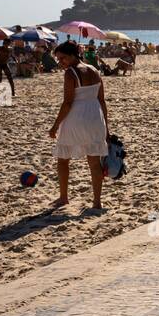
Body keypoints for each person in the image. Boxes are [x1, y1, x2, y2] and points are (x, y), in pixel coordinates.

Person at [48, 41, 109, 213]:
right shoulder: (95, 70)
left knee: (63, 159)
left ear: (74, 55)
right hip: (95, 115)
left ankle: (63, 197)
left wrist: (55, 126)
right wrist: (106, 126)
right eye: (58, 59)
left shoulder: (70, 73)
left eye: (63, 58)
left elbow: (67, 103)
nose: (61, 62)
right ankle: (97, 202)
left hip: (76, 116)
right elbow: (102, 101)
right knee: (94, 162)